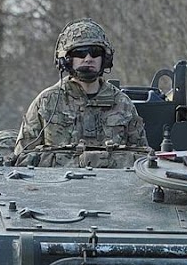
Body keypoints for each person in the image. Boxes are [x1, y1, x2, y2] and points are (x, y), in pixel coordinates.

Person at [13, 18, 149, 167]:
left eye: (95, 52)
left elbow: (143, 161)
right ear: (66, 59)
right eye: (80, 53)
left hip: (112, 187)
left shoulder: (123, 104)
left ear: (105, 58)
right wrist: (78, 163)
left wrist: (102, 161)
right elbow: (21, 160)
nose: (88, 58)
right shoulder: (46, 102)